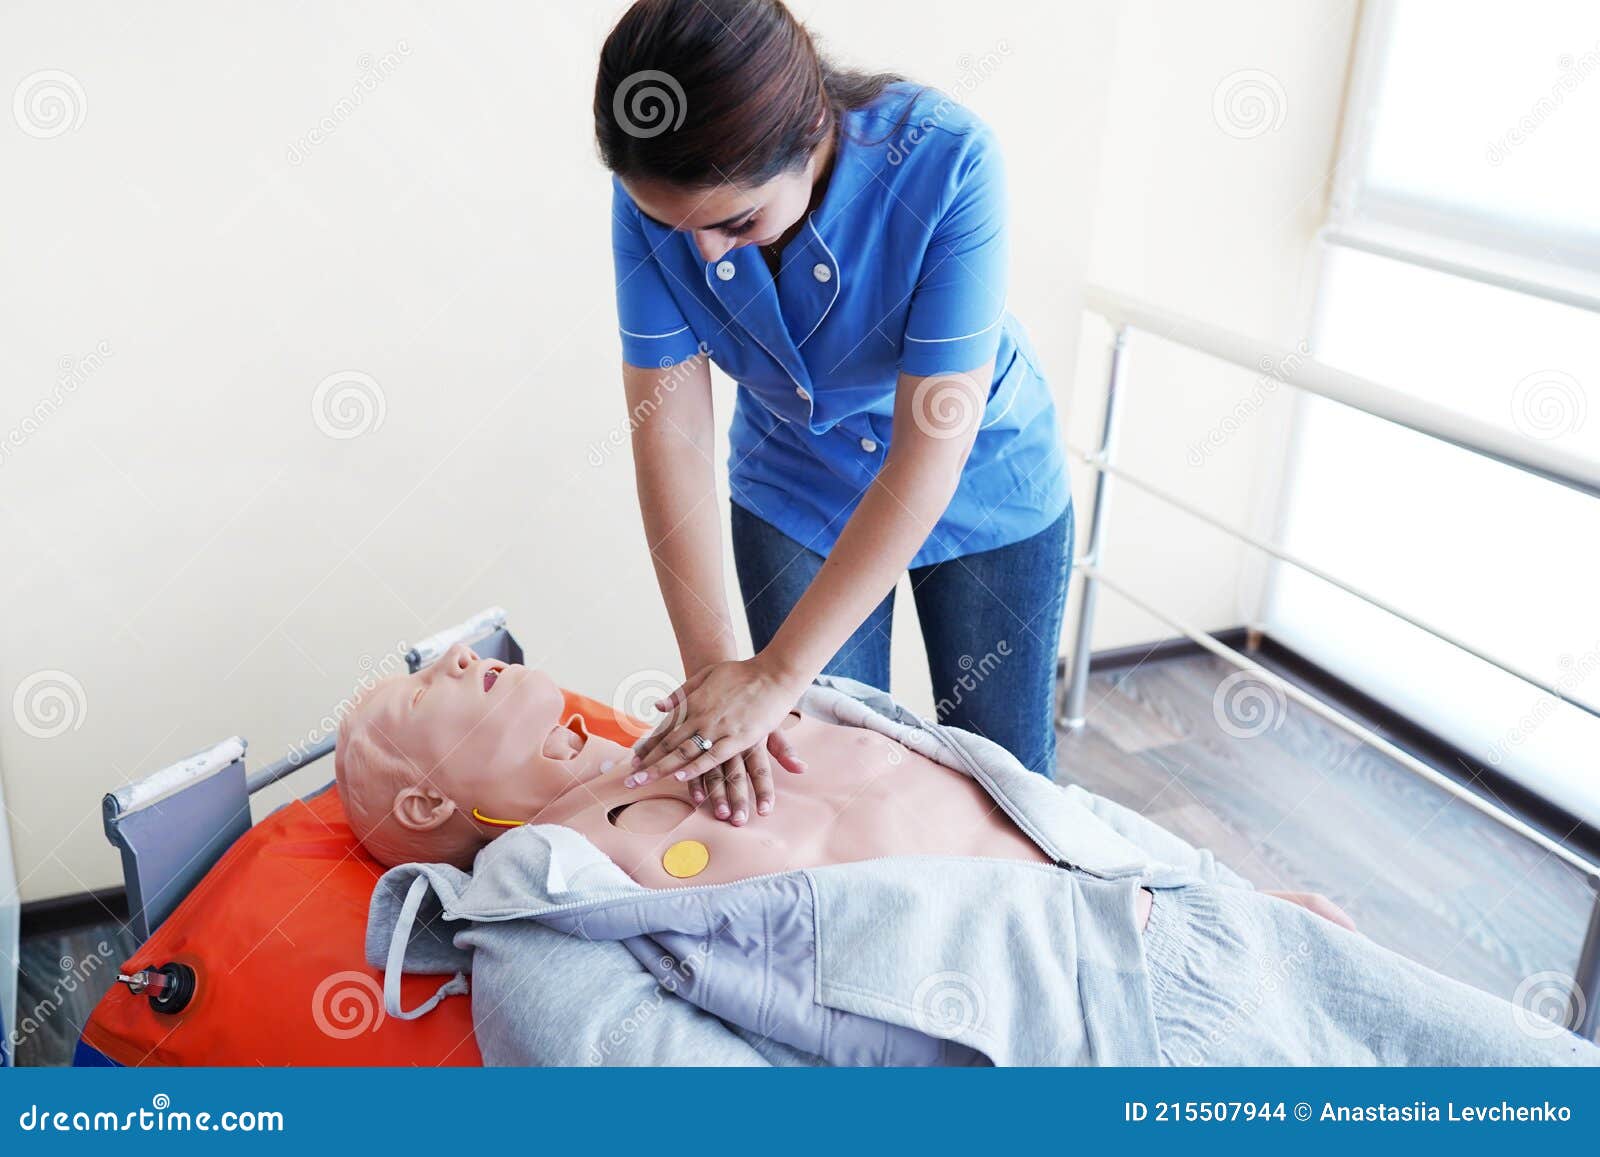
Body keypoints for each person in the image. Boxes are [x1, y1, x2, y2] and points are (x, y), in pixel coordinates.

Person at [343, 647, 1600, 1066]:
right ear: (424, 798)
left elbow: (1029, 796)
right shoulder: (544, 916)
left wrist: (1233, 890)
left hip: (1222, 933)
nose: (449, 657)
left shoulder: (747, 702)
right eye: (412, 690)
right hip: (1096, 1052)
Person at [595, 0, 1075, 825]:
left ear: (811, 128)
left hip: (984, 480)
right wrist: (717, 683)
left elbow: (927, 453)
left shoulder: (948, 161)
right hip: (796, 488)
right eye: (676, 225)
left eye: (735, 220)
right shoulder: (657, 197)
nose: (702, 251)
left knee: (1009, 789)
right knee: (825, 787)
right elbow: (671, 435)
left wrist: (777, 674)